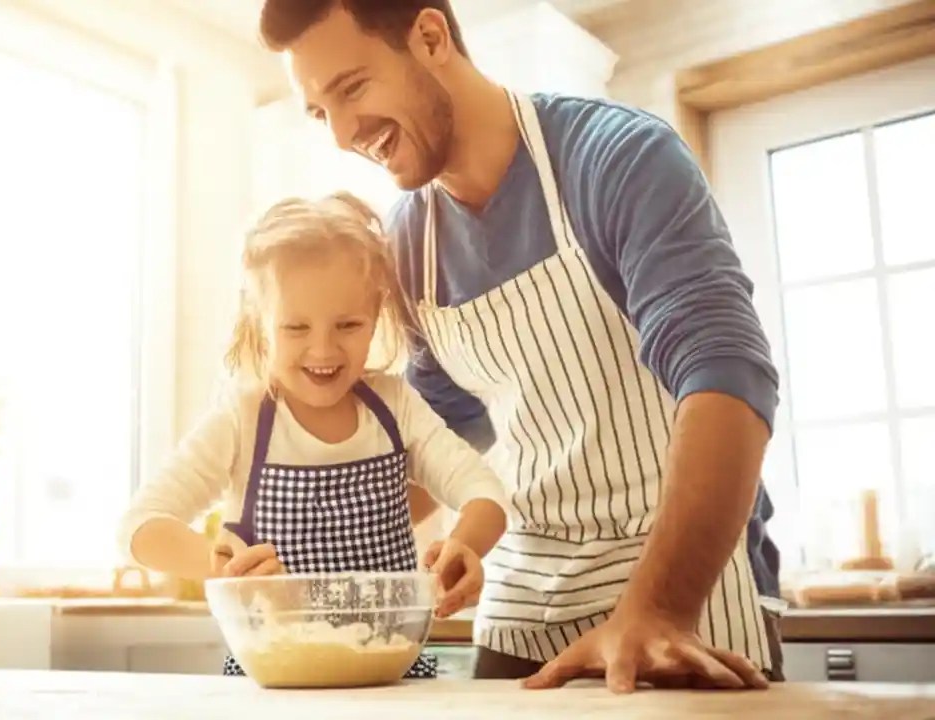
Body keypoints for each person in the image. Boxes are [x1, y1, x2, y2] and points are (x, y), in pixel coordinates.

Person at [257, 0, 784, 692]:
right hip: (526, 601)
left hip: (686, 594)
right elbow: (432, 444)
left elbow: (728, 379)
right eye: (321, 111)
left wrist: (658, 607)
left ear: (430, 37)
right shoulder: (409, 246)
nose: (344, 135)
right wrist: (287, 551)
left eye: (352, 89)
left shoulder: (616, 159)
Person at [117, 192, 508, 678]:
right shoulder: (244, 417)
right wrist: (216, 563)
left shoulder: (395, 406)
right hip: (275, 685)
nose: (323, 349)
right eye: (295, 326)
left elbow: (482, 490)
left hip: (391, 681)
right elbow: (138, 526)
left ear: (376, 315)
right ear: (258, 325)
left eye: (348, 324)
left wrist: (465, 546)